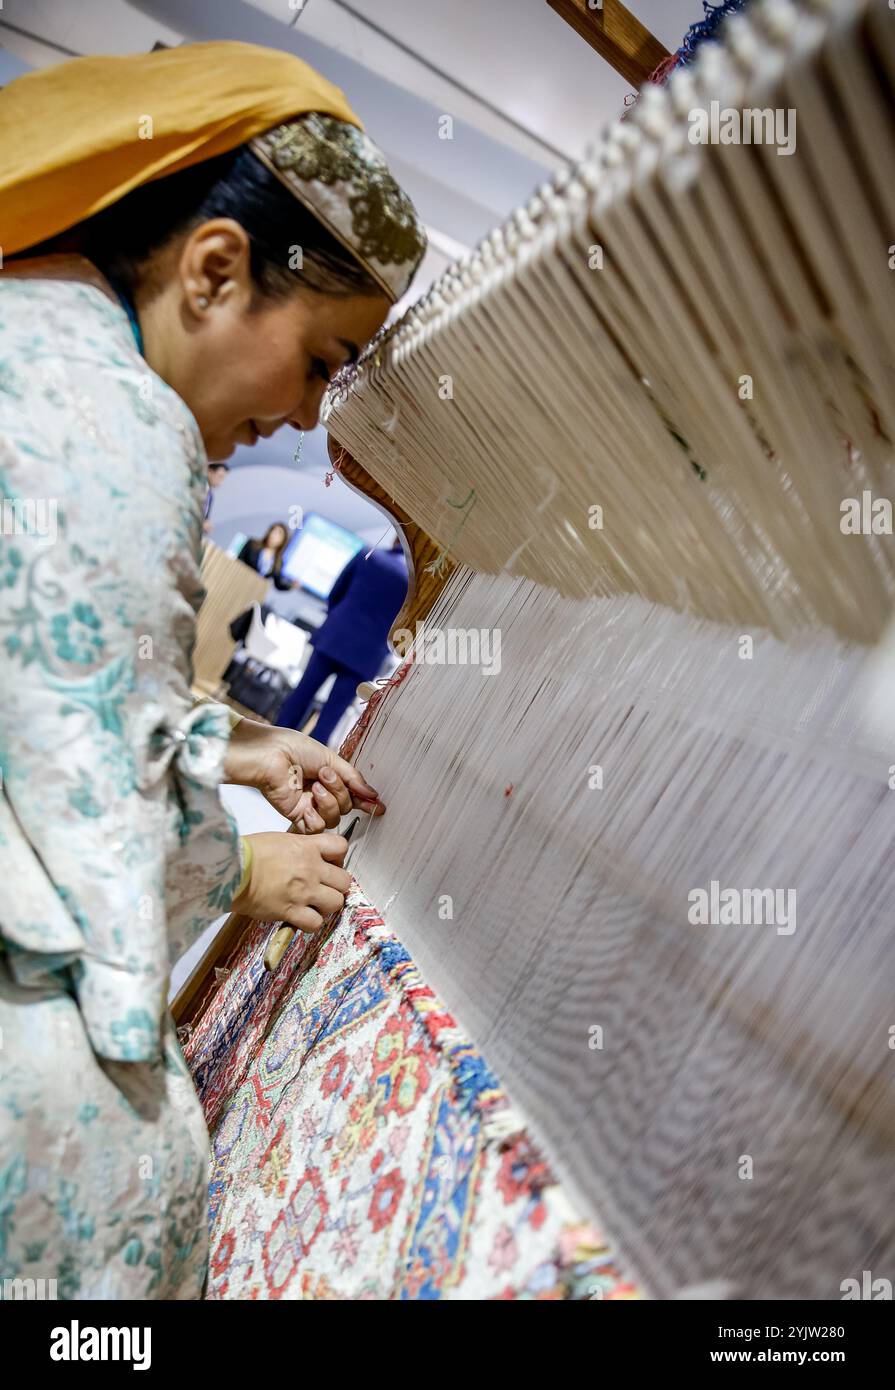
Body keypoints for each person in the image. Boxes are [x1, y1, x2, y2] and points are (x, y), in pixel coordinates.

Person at [0, 41, 426, 1299]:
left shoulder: (35, 340)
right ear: (215, 270)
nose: (307, 418)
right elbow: (88, 830)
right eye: (321, 361)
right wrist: (240, 864)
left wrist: (233, 743)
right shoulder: (115, 424)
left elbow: (43, 676)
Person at [276, 537, 408, 744]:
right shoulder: (412, 582)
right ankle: (307, 765)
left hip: (334, 636)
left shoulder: (369, 553)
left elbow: (336, 591)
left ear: (395, 540)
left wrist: (338, 619)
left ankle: (273, 745)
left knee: (300, 696)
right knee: (330, 717)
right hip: (367, 655)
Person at [238, 521, 297, 589]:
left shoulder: (278, 562)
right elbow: (238, 560)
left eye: (278, 534)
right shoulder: (252, 544)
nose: (273, 535)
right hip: (241, 581)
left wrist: (291, 585)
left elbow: (278, 584)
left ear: (283, 540)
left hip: (255, 590)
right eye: (273, 531)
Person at [203, 460, 230, 534]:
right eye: (220, 477)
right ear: (210, 471)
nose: (220, 482)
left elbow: (205, 517)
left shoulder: (210, 496)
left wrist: (206, 523)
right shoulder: (196, 487)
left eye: (223, 478)